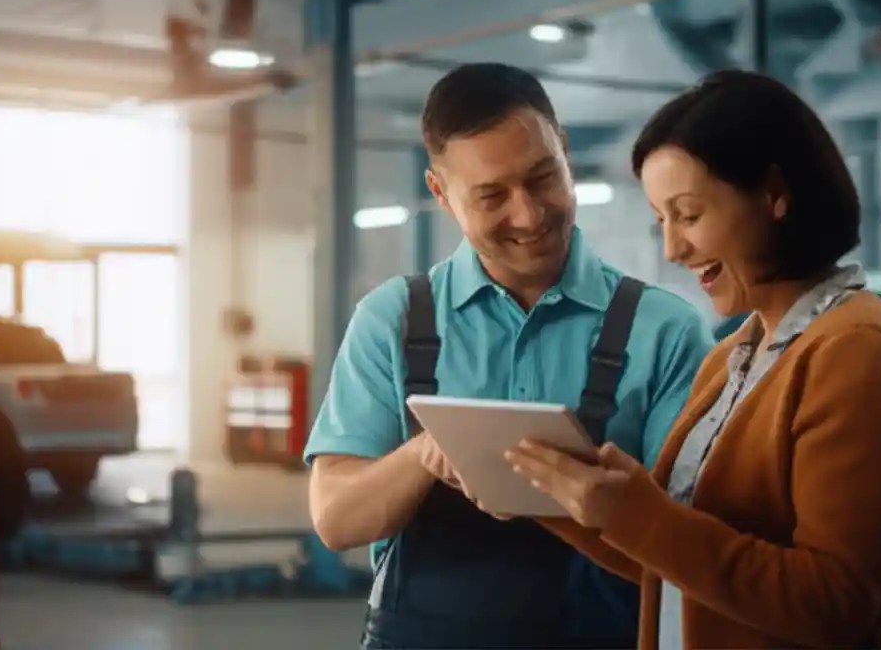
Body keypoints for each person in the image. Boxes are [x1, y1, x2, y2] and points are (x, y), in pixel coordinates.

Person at [508, 70, 881, 649]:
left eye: (688, 215)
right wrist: (552, 496)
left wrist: (640, 516)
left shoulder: (857, 354)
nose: (672, 248)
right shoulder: (733, 358)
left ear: (774, 194)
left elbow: (832, 604)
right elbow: (678, 567)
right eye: (661, 221)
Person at [304, 62, 713, 649]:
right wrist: (429, 450)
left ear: (565, 152)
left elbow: (693, 542)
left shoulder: (665, 331)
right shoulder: (393, 321)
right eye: (492, 195)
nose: (529, 214)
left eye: (544, 177)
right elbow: (337, 521)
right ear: (441, 193)